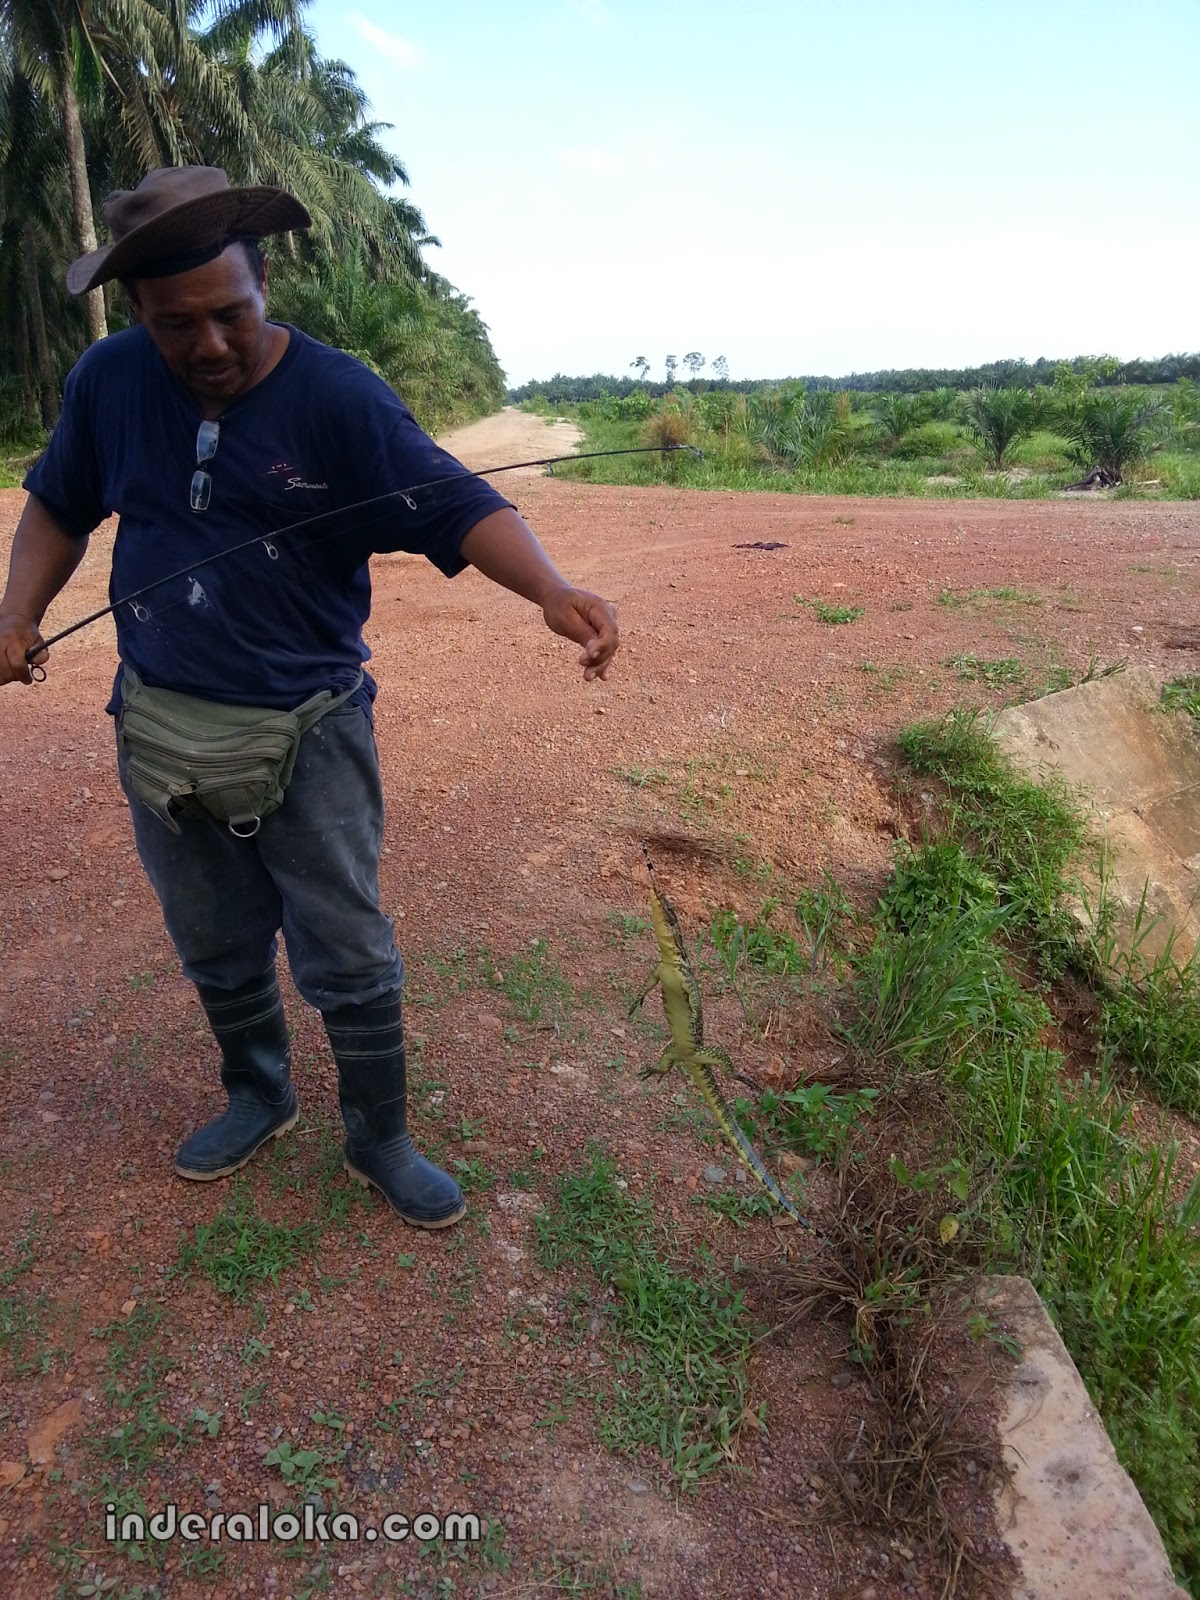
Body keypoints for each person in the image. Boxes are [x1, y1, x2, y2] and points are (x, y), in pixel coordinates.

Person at [0, 166, 619, 1230]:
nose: (207, 346)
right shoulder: (107, 381)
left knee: (344, 941)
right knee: (214, 936)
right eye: (173, 324)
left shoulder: (338, 398)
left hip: (310, 732)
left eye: (230, 314)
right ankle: (259, 1092)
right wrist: (16, 613)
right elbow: (58, 502)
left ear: (265, 279)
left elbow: (456, 501)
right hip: (158, 725)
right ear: (137, 313)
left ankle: (379, 1134)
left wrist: (552, 589)